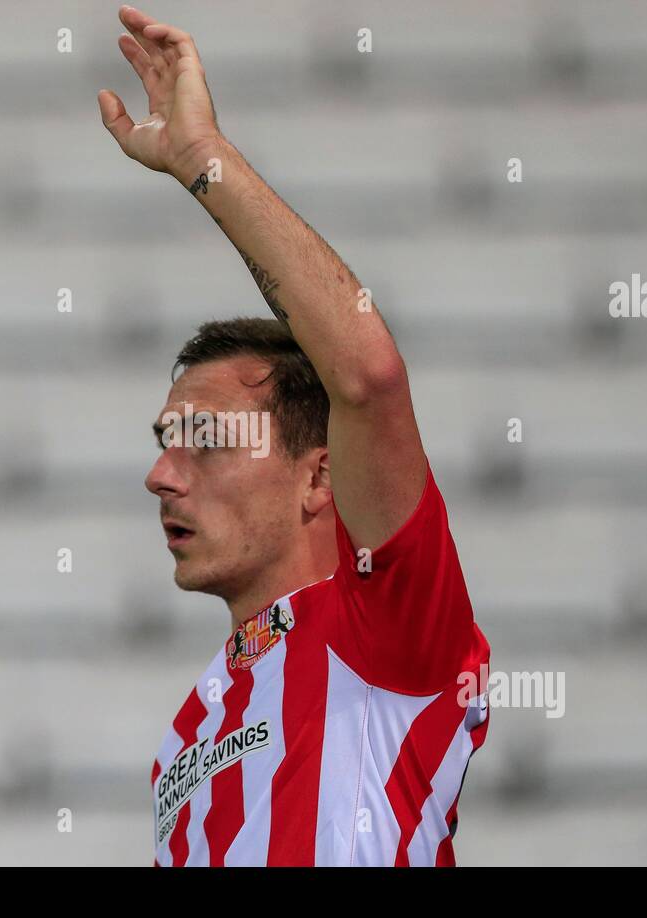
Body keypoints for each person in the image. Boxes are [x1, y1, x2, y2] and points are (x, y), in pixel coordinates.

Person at [99, 4, 491, 867]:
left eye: (204, 438)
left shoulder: (381, 629)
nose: (161, 475)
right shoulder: (186, 735)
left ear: (321, 477)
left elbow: (370, 379)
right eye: (166, 440)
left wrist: (204, 160)